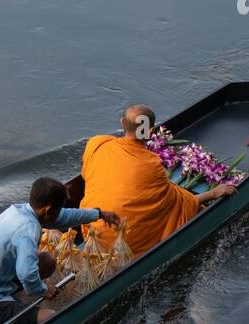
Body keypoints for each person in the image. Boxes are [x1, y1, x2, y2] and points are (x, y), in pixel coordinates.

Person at [80, 104, 236, 257]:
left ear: (122, 122)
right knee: (182, 211)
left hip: (94, 233)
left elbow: (89, 176)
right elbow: (180, 204)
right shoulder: (152, 165)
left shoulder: (97, 144)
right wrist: (213, 193)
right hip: (124, 246)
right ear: (150, 131)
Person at [0, 176, 120, 306]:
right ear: (48, 210)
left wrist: (98, 214)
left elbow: (64, 217)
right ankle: (7, 306)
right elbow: (26, 274)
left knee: (47, 261)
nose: (60, 212)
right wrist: (42, 290)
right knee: (47, 317)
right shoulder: (29, 228)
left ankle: (14, 293)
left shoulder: (18, 211)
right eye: (59, 208)